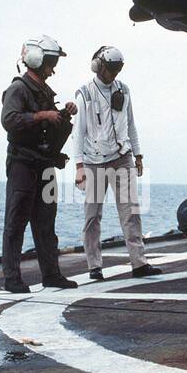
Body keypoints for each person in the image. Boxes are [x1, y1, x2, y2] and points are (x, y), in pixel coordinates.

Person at [74, 46, 163, 281]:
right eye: (110, 69)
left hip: (122, 157)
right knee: (92, 216)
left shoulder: (124, 89)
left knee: (131, 212)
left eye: (117, 69)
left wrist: (138, 154)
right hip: (93, 161)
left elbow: (130, 123)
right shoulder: (84, 94)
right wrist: (79, 166)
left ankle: (139, 263)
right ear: (99, 66)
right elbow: (78, 132)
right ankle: (94, 265)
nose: (113, 74)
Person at [0, 36, 79, 293]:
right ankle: (12, 278)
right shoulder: (18, 89)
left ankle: (51, 274)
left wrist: (63, 113)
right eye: (51, 62)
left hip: (44, 165)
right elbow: (9, 119)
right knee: (16, 222)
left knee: (46, 223)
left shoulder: (45, 93)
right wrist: (41, 115)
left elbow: (50, 128)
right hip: (23, 164)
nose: (53, 68)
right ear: (38, 59)